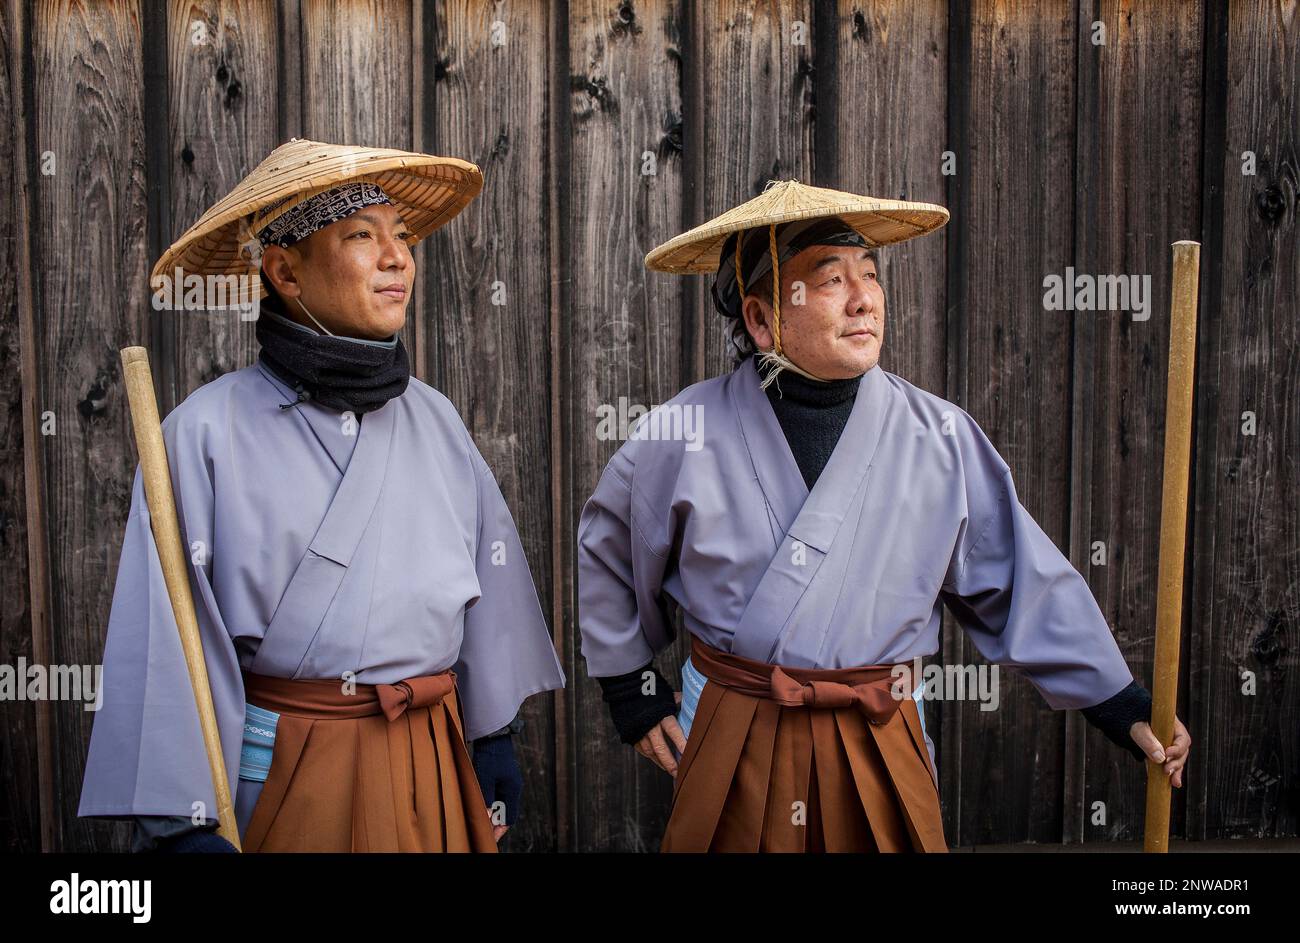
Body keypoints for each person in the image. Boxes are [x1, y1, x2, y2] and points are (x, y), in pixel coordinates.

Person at [576, 181, 1191, 852]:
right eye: (831, 279)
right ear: (760, 318)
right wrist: (633, 693)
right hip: (732, 725)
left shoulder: (940, 438)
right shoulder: (682, 432)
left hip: (880, 729)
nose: (865, 297)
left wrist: (1123, 705)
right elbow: (609, 551)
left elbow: (1019, 581)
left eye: (870, 276)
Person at [77, 138, 565, 852]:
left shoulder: (436, 420)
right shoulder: (201, 436)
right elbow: (169, 642)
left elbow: (490, 591)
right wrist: (183, 823)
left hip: (431, 765)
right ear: (286, 271)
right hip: (285, 777)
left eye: (400, 235)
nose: (398, 256)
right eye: (363, 236)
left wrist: (493, 735)